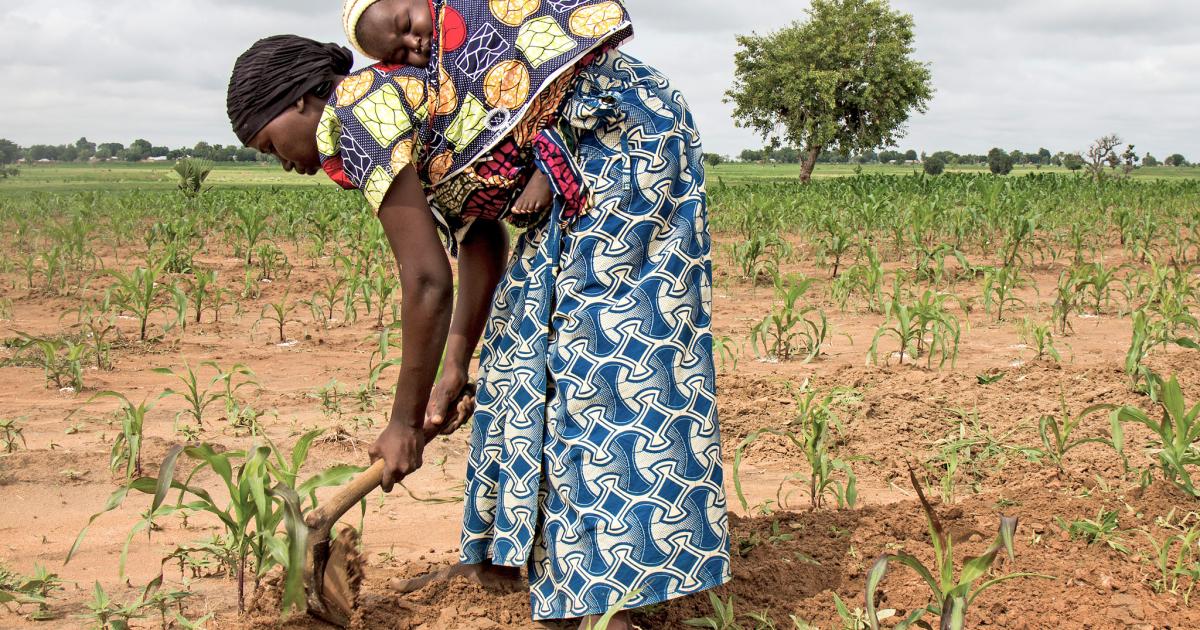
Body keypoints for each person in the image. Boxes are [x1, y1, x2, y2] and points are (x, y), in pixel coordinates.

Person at [226, 1, 730, 626]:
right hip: (574, 165)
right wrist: (455, 366)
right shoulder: (394, 101)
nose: (283, 162)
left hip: (621, 139)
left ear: (301, 102)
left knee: (598, 360)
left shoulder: (352, 113)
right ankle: (496, 558)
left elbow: (428, 281)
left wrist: (404, 422)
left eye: (270, 143)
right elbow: (479, 237)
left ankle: (608, 600)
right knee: (517, 354)